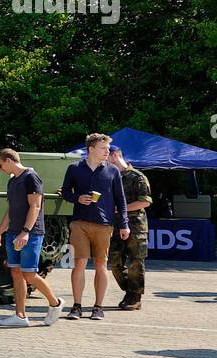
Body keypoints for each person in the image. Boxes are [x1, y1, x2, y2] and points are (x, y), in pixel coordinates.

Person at [60, 132, 129, 321]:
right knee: (79, 263)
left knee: (101, 265)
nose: (108, 152)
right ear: (91, 149)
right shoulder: (74, 168)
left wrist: (124, 224)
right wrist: (77, 198)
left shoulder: (113, 171)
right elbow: (65, 192)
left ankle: (98, 307)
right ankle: (76, 306)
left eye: (108, 148)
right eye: (103, 148)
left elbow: (120, 200)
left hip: (104, 224)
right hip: (79, 223)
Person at [0, 148, 62, 327]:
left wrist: (25, 231)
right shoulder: (12, 181)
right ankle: (20, 316)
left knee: (29, 274)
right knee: (16, 273)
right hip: (13, 233)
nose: (0, 169)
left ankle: (56, 303)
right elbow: (11, 209)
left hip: (30, 233)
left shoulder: (31, 177)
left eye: (0, 165)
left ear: (8, 160)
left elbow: (36, 206)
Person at [107, 146, 152, 310]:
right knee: (114, 263)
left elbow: (145, 201)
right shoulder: (110, 176)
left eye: (107, 157)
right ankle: (130, 291)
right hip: (115, 225)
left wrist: (121, 208)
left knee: (135, 261)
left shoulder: (137, 177)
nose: (105, 160)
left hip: (135, 225)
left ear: (116, 155)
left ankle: (135, 296)